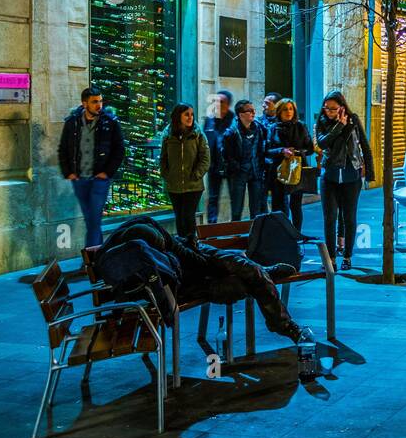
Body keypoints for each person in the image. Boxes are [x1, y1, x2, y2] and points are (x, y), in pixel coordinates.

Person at [97, 215, 309, 344]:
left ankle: (284, 323)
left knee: (243, 268)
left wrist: (211, 261)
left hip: (194, 256)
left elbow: (181, 250)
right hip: (184, 282)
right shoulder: (131, 258)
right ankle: (265, 273)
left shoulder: (144, 226)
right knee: (236, 284)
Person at [58, 86, 126, 249]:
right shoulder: (72, 123)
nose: (99, 105)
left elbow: (120, 149)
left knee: (94, 218)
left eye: (100, 101)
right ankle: (99, 255)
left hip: (99, 179)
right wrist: (69, 172)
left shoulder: (110, 122)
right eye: (94, 102)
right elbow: (63, 148)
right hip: (80, 178)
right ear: (84, 103)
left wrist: (107, 172)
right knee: (91, 219)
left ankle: (91, 259)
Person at [315, 91, 374, 271]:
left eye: (334, 109)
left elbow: (365, 145)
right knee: (330, 218)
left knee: (349, 217)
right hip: (330, 176)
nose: (330, 112)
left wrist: (370, 174)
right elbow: (323, 144)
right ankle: (331, 258)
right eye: (327, 109)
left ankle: (347, 256)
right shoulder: (322, 122)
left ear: (342, 107)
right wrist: (338, 127)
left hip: (351, 176)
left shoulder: (353, 120)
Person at [159, 103, 210, 238]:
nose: (190, 117)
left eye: (192, 114)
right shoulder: (168, 135)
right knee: (179, 218)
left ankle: (191, 245)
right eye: (186, 114)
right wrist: (166, 175)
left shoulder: (197, 134)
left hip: (193, 186)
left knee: (188, 216)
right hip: (174, 186)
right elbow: (163, 158)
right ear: (178, 116)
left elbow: (205, 158)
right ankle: (183, 247)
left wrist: (196, 175)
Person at [266, 97, 315, 237]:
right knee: (280, 205)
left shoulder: (301, 126)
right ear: (279, 111)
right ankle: (281, 234)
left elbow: (310, 148)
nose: (288, 112)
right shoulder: (273, 128)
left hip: (296, 169)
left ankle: (297, 234)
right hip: (279, 170)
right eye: (285, 109)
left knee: (296, 204)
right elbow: (267, 150)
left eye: (291, 109)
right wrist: (282, 151)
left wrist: (297, 152)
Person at [222, 98, 269, 220]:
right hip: (239, 174)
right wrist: (235, 167)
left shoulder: (259, 128)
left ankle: (256, 235)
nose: (253, 113)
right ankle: (235, 235)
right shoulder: (231, 133)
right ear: (241, 114)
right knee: (237, 209)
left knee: (256, 209)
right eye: (250, 111)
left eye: (253, 110)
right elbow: (226, 155)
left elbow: (263, 148)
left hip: (256, 172)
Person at [202, 89, 233, 224]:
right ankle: (211, 229)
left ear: (228, 104)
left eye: (221, 102)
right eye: (216, 101)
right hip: (214, 166)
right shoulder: (209, 120)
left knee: (235, 198)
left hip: (231, 166)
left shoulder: (234, 120)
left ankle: (236, 228)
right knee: (213, 198)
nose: (218, 104)